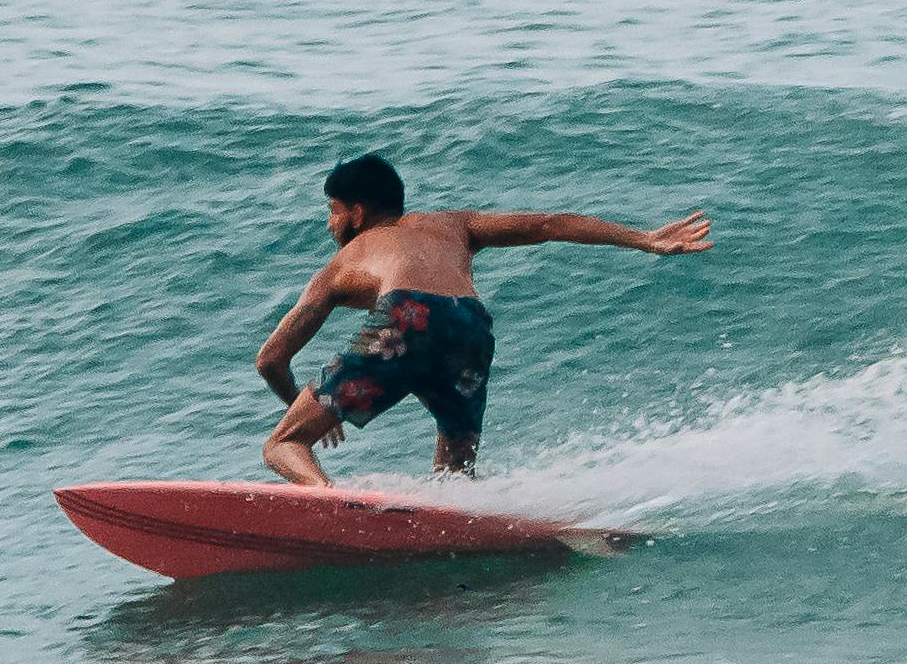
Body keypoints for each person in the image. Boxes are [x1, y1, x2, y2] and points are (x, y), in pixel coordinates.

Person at [254, 152, 710, 487]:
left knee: (282, 446)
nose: (330, 225)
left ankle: (331, 504)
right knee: (455, 472)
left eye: (333, 212)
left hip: (409, 320)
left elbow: (270, 359)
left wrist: (307, 408)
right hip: (471, 328)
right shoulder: (452, 224)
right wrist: (644, 239)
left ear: (356, 211)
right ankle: (458, 523)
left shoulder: (342, 263)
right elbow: (549, 223)